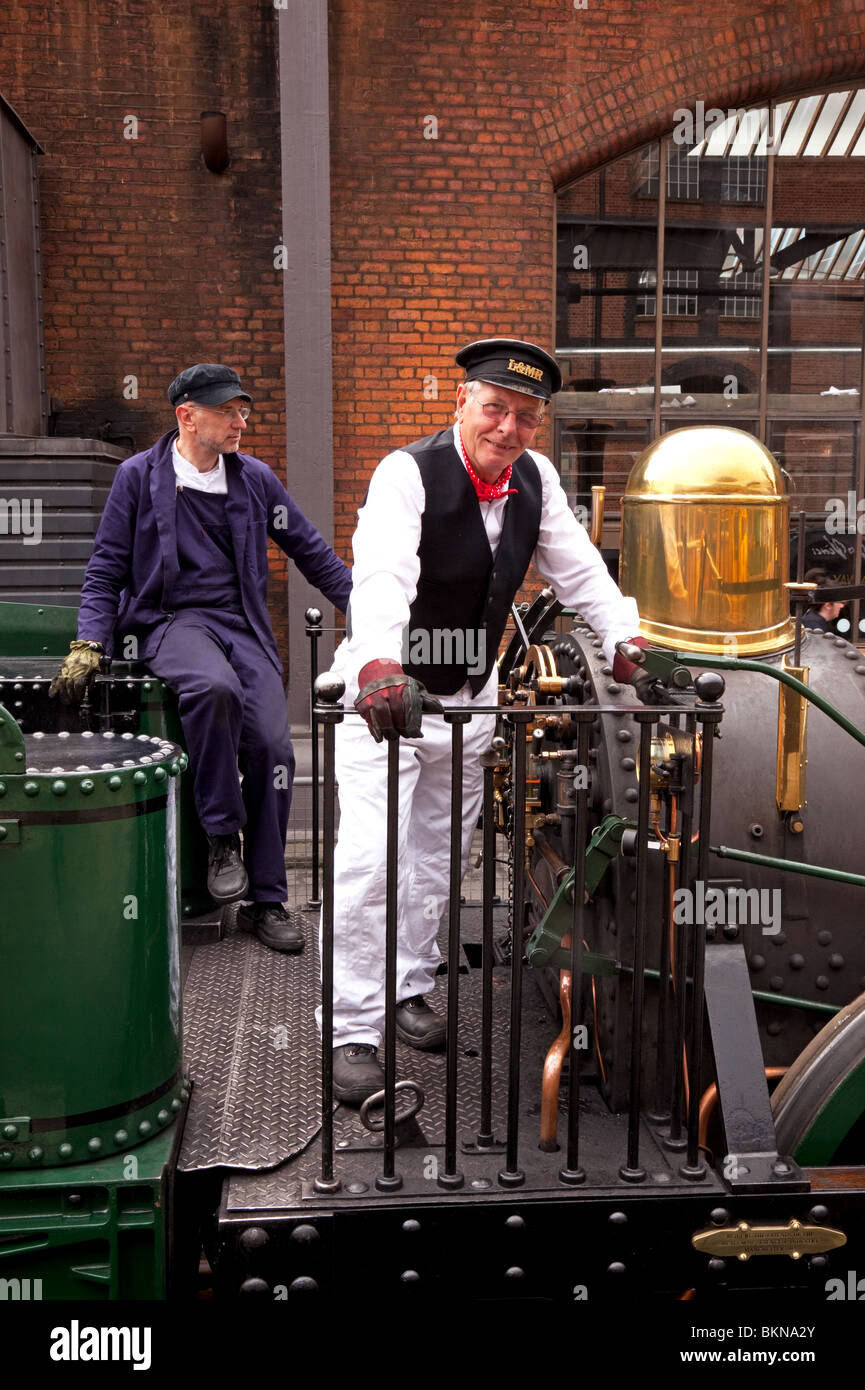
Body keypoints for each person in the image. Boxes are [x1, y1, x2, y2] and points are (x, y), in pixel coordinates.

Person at [325, 337, 646, 1104]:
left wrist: (625, 636)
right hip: (390, 704)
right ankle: (351, 1030)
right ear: (462, 404)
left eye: (525, 417)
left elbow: (582, 572)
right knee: (370, 862)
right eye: (495, 408)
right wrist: (375, 663)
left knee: (438, 858)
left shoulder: (535, 481)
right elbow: (381, 575)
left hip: (467, 700)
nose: (508, 427)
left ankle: (407, 986)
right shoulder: (408, 472)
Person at [51, 362, 352, 952]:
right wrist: (90, 641)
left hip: (241, 625)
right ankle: (222, 836)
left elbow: (312, 551)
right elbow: (107, 567)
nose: (242, 421)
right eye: (228, 411)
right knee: (213, 690)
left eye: (243, 410)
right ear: (187, 415)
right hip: (170, 624)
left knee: (271, 745)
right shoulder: (138, 478)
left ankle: (267, 900)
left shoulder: (255, 480)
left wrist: (373, 612)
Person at [801, 568, 845, 633]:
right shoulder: (814, 626)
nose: (842, 605)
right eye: (839, 602)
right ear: (828, 605)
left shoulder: (814, 621)